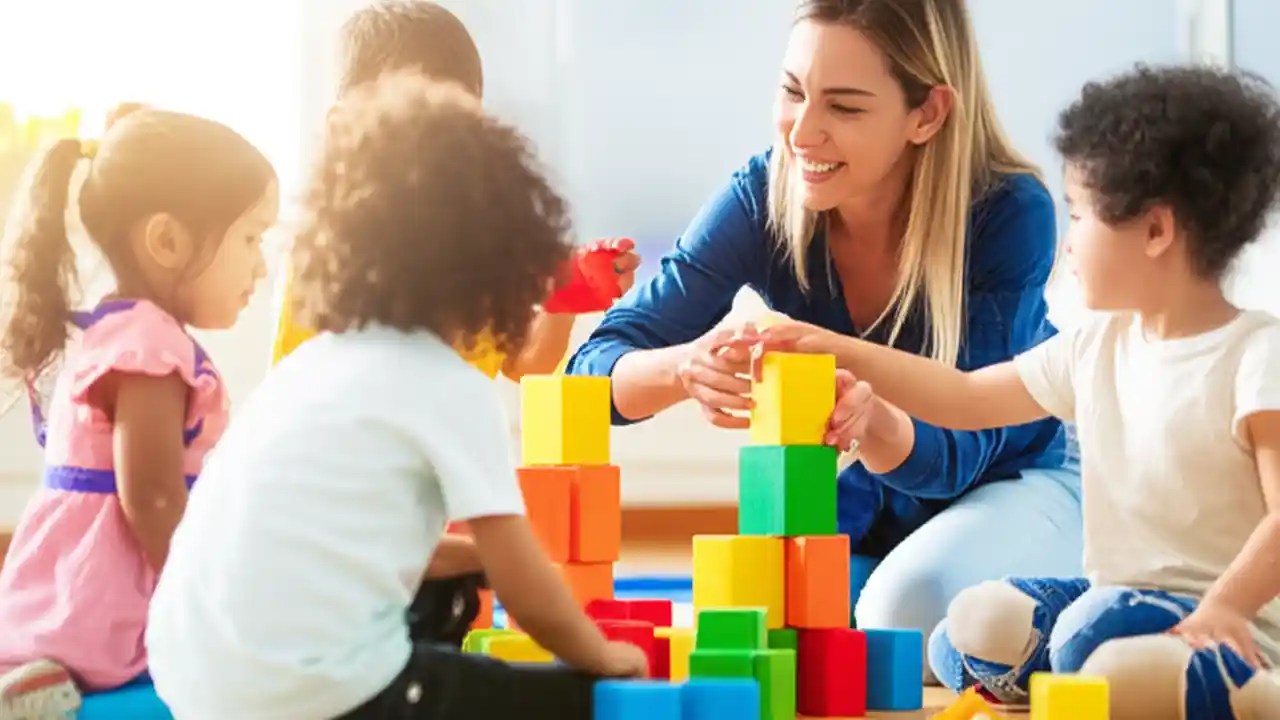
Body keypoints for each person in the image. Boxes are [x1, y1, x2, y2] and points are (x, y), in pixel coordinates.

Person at [565, 0, 1083, 665]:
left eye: (844, 107)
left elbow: (959, 452)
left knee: (903, 612)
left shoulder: (1006, 211)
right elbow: (592, 371)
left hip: (1019, 474)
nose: (802, 133)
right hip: (875, 503)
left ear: (927, 114)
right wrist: (684, 368)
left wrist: (849, 386)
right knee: (777, 624)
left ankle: (1099, 596)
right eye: (792, 93)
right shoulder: (762, 196)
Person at [756, 64, 1280, 719]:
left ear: (1155, 231)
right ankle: (1094, 671)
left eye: (1081, 214)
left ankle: (1247, 692)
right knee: (977, 620)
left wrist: (1225, 607)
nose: (1068, 242)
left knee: (1104, 653)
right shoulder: (1098, 347)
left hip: (1223, 620)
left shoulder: (1255, 355)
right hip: (1115, 597)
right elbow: (964, 397)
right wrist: (832, 346)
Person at [144, 73, 649, 720]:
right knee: (585, 700)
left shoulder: (309, 371)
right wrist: (604, 657)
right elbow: (527, 590)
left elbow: (340, 550)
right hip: (315, 696)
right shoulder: (447, 386)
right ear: (496, 264)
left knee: (451, 585)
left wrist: (473, 560)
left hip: (195, 687)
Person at [0, 105, 277, 716]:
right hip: (99, 610)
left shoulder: (119, 331)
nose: (261, 264)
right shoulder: (152, 345)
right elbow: (150, 495)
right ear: (168, 241)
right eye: (252, 237)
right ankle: (39, 693)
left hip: (65, 594)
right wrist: (211, 604)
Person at [270, 0, 641, 379]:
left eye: (460, 125)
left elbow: (526, 365)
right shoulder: (326, 255)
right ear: (342, 129)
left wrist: (560, 301)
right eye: (418, 121)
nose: (440, 146)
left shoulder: (474, 247)